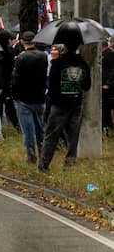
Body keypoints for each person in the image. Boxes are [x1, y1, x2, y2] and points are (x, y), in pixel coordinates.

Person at [38, 42, 91, 171]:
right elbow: (87, 86)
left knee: (51, 135)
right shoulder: (83, 64)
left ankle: (44, 165)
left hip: (59, 105)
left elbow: (51, 86)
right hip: (76, 103)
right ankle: (70, 165)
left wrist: (54, 99)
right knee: (73, 136)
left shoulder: (57, 63)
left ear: (64, 48)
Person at [11, 32, 49, 164]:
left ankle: (31, 154)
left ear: (22, 41)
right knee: (40, 127)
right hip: (39, 96)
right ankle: (42, 152)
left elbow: (16, 78)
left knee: (28, 129)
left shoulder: (21, 58)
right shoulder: (43, 56)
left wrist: (14, 95)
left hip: (24, 97)